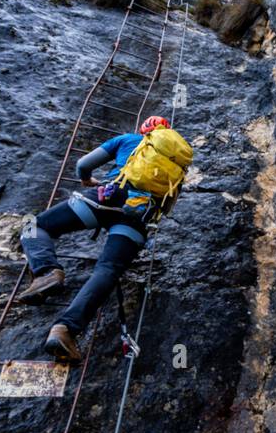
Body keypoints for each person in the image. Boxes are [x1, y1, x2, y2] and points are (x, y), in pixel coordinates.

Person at [18, 115, 171, 361]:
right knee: (108, 270)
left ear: (144, 131)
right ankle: (65, 330)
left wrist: (87, 179)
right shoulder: (174, 162)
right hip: (137, 216)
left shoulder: (129, 139)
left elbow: (83, 164)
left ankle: (47, 272)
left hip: (105, 198)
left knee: (35, 226)